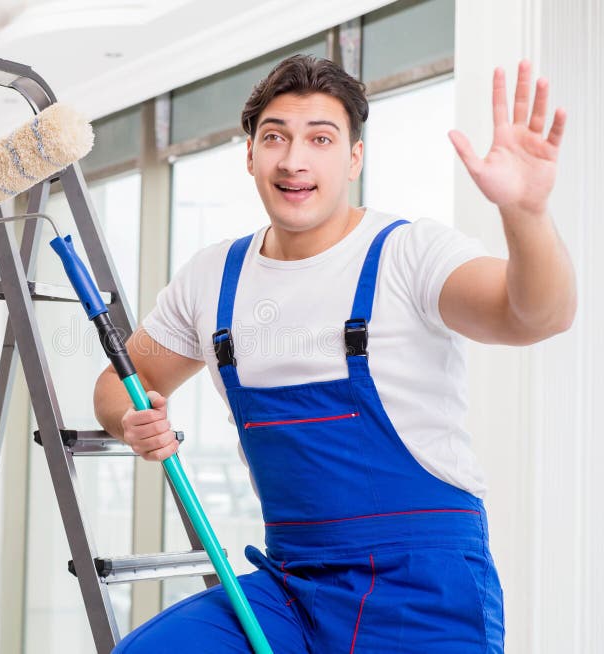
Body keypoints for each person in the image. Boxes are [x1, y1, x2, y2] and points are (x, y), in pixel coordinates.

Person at [94, 55, 575, 653]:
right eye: (275, 137)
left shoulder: (409, 254)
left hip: (421, 589)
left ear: (353, 158)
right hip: (290, 588)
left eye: (320, 139)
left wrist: (525, 213)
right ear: (250, 155)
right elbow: (119, 383)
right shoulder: (212, 278)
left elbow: (537, 315)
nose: (294, 160)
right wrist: (130, 419)